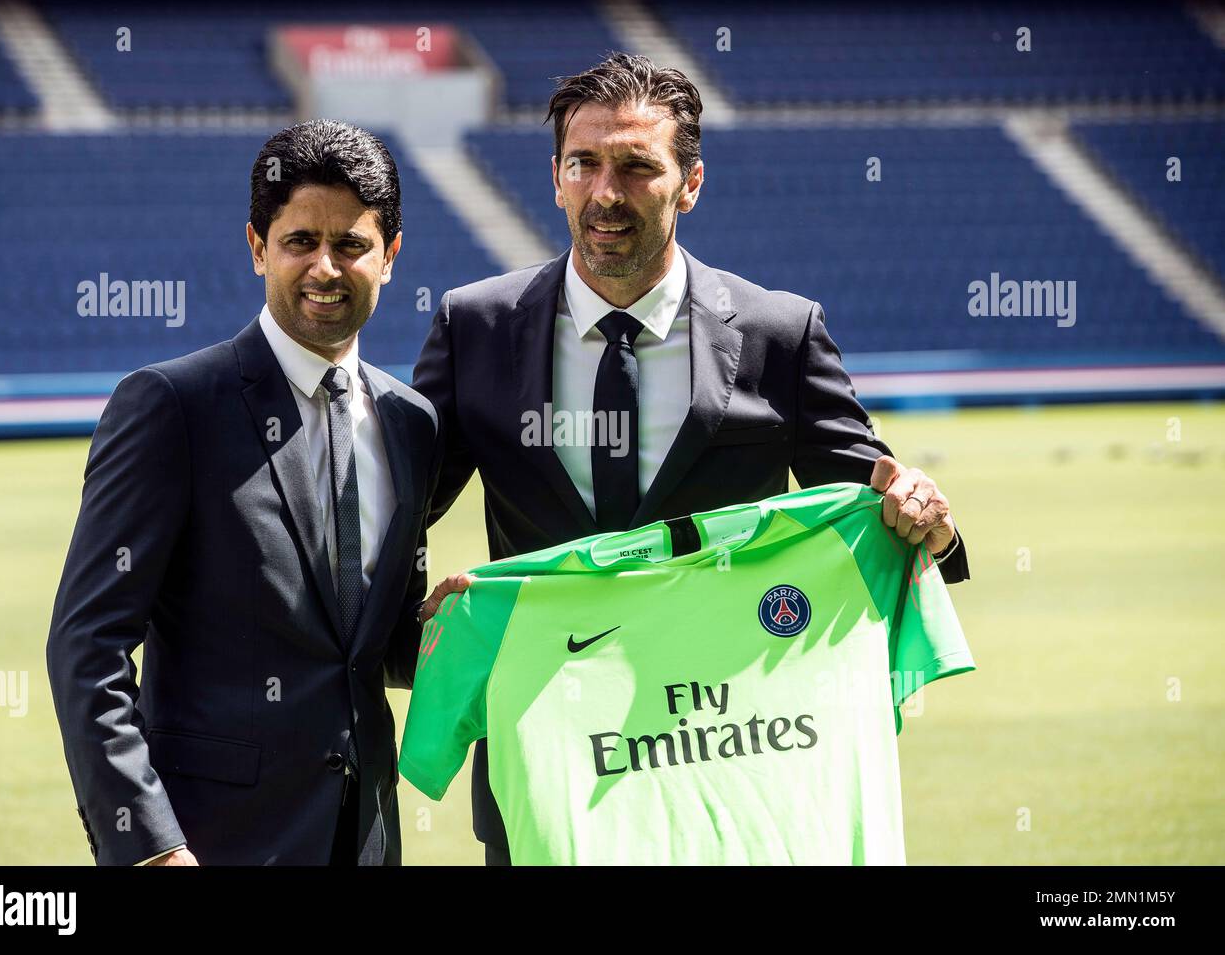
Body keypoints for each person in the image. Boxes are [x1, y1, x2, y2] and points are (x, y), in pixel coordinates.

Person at [412, 53, 969, 866]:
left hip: (736, 758)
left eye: (638, 167)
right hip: (550, 762)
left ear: (690, 182)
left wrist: (929, 520)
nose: (608, 192)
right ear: (557, 179)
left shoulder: (780, 333)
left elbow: (877, 506)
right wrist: (420, 621)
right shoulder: (477, 327)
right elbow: (394, 509)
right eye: (586, 165)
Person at [47, 120, 441, 865]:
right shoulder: (173, 406)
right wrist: (151, 845)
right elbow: (86, 645)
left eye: (351, 245)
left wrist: (477, 625)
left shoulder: (410, 423)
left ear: (389, 257)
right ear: (259, 246)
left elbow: (375, 650)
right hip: (210, 844)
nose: (326, 267)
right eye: (300, 242)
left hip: (365, 839)